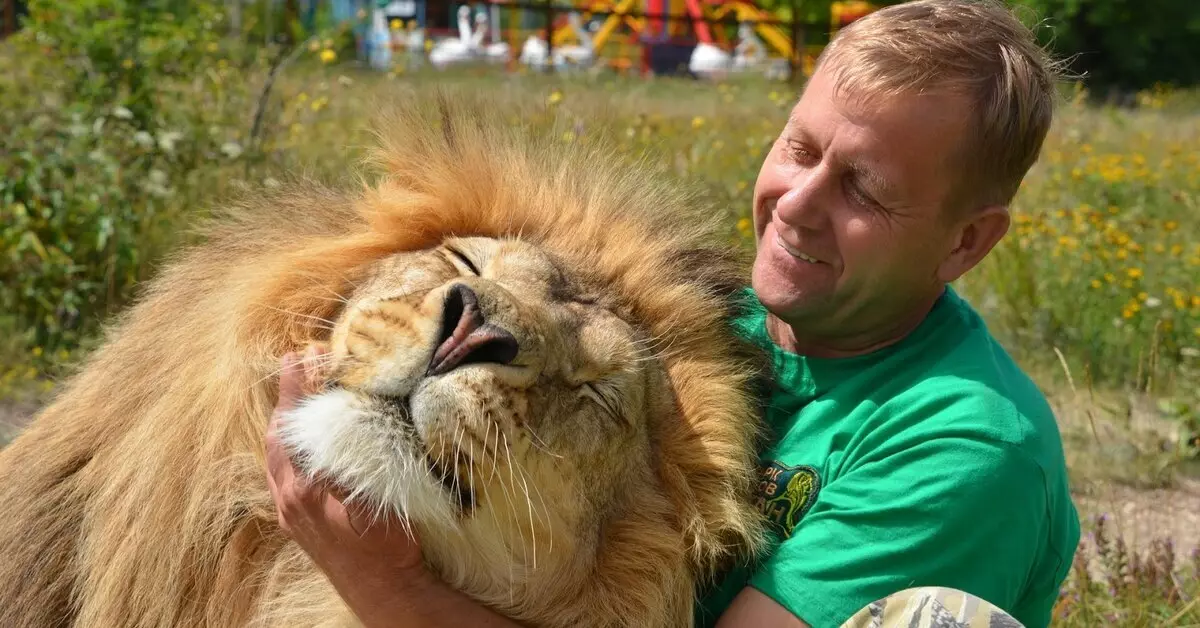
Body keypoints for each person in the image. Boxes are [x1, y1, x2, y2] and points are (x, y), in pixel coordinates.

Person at [265, 0, 1081, 626]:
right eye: (800, 148)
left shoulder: (962, 450)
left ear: (966, 242)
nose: (797, 204)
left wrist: (378, 576)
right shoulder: (720, 317)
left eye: (865, 188)